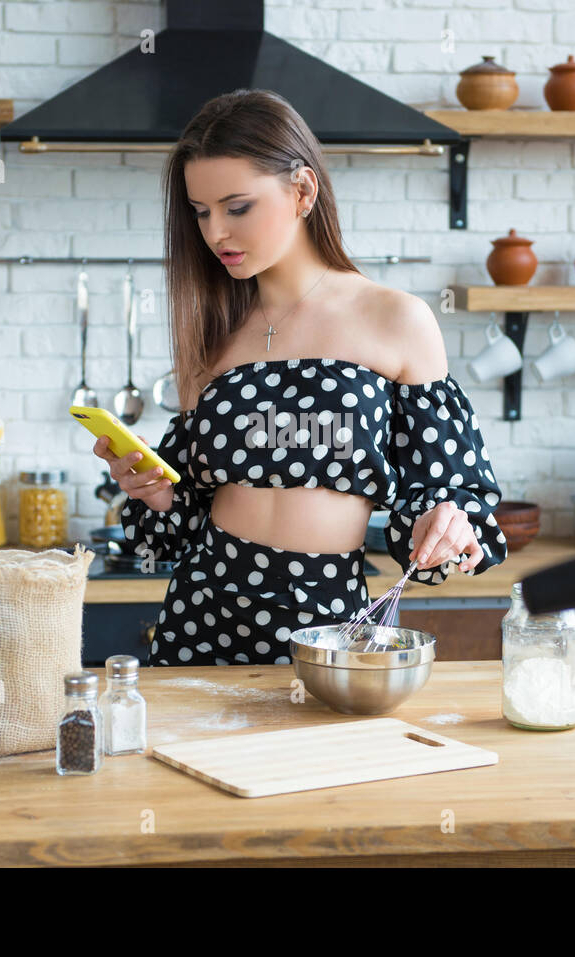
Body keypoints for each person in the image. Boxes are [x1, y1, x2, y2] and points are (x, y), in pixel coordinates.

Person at [93, 89, 507, 666]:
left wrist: (449, 521)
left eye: (237, 207)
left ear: (303, 190)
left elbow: (451, 489)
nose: (215, 233)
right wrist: (156, 492)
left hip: (328, 623)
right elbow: (177, 521)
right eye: (201, 211)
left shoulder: (397, 319)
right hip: (202, 610)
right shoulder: (211, 336)